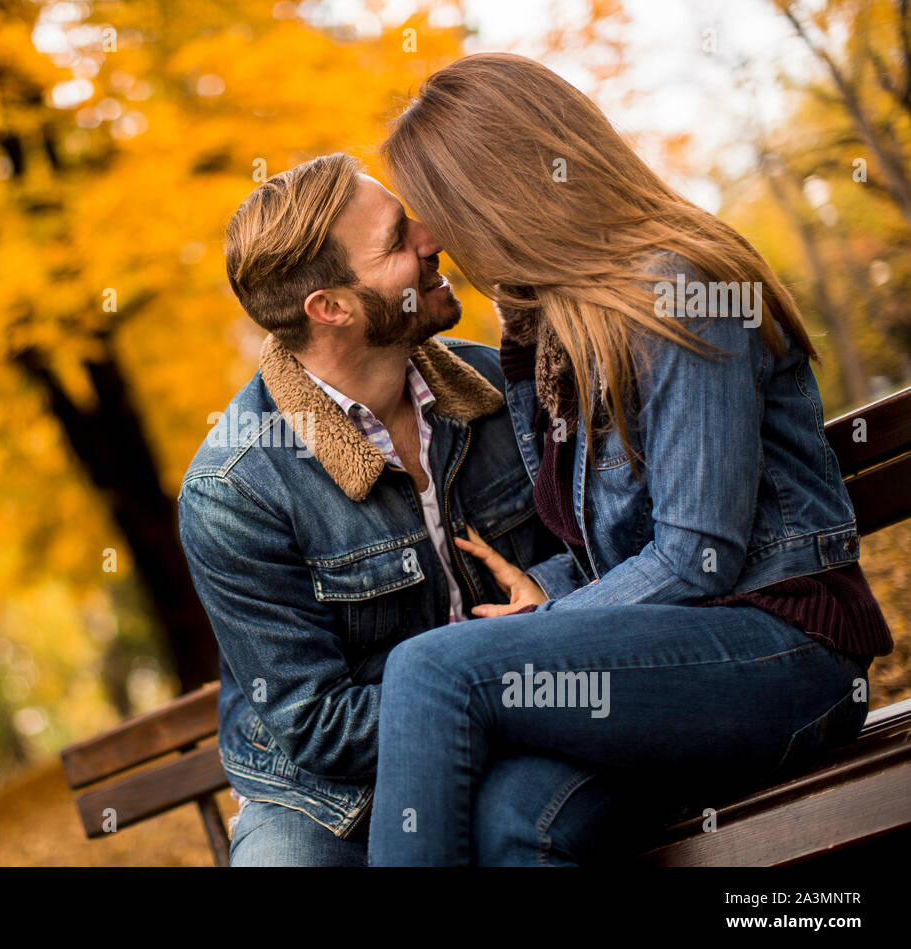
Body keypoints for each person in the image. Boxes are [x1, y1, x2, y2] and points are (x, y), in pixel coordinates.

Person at [366, 52, 893, 866]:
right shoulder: (549, 331)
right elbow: (617, 545)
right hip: (674, 671)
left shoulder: (682, 287)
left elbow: (697, 556)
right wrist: (557, 592)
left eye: (432, 208)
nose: (429, 238)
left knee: (433, 673)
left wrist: (543, 626)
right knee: (512, 822)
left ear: (499, 187)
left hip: (785, 654)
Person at [178, 151, 632, 866]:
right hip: (329, 795)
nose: (432, 237)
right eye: (397, 239)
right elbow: (320, 728)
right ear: (331, 308)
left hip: (533, 721)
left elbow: (599, 549)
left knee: (520, 831)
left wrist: (551, 608)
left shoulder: (497, 386)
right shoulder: (235, 490)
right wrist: (486, 682)